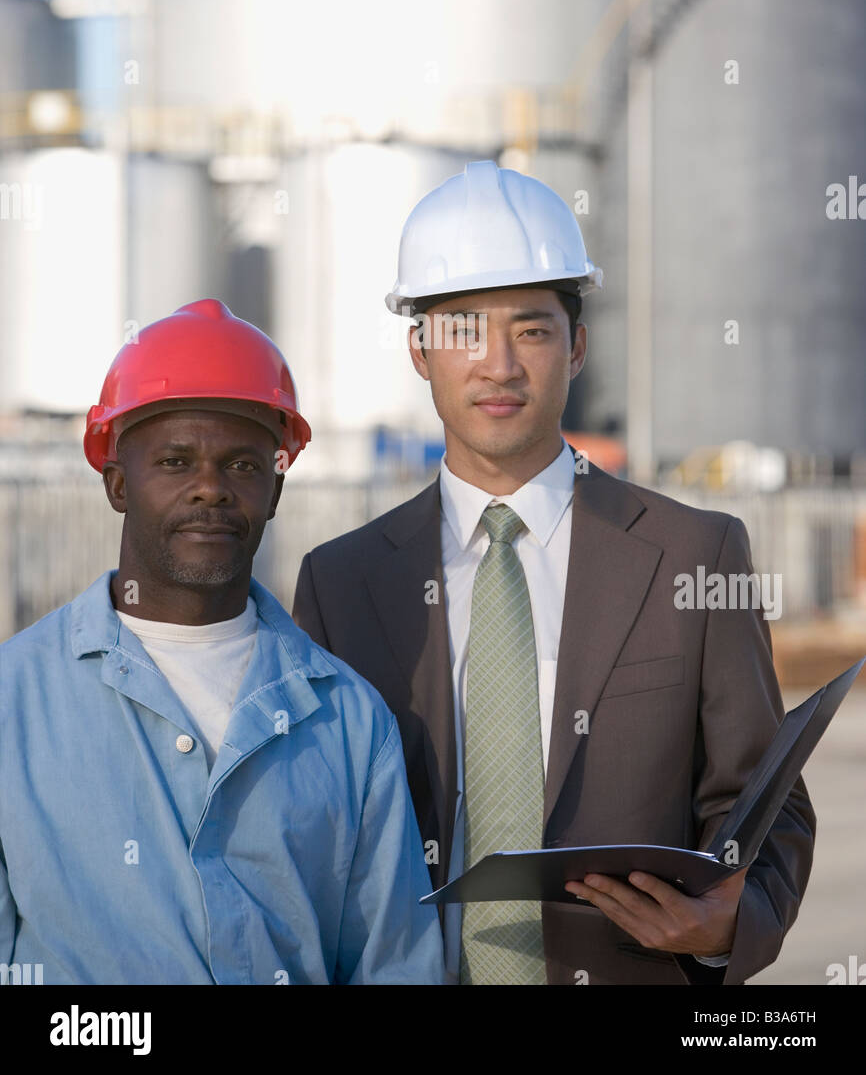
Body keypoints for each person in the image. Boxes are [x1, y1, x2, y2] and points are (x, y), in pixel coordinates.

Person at [293, 160, 816, 985]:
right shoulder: (341, 584)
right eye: (463, 328)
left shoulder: (697, 555)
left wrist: (728, 925)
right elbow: (312, 833)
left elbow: (768, 803)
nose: (499, 364)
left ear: (576, 346)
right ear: (420, 351)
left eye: (531, 330)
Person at [0, 298, 444, 986]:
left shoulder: (351, 724)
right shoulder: (13, 703)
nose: (210, 489)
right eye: (175, 462)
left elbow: (395, 969)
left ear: (275, 488)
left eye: (241, 466)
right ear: (118, 484)